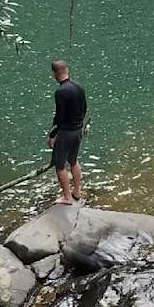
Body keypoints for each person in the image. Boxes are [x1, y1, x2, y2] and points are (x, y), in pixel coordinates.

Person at [46, 60, 88, 205]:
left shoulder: (60, 92)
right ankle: (77, 191)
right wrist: (80, 125)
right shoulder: (79, 87)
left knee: (59, 165)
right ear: (67, 70)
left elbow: (60, 117)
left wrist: (52, 135)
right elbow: (84, 108)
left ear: (54, 74)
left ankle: (67, 197)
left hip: (66, 132)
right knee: (73, 160)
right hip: (78, 129)